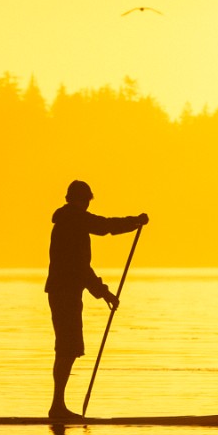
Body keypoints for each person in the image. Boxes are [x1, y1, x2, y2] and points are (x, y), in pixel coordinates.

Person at [45, 180, 148, 420]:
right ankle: (57, 407)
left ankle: (57, 405)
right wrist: (135, 221)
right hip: (64, 292)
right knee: (67, 348)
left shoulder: (71, 220)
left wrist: (103, 292)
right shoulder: (73, 220)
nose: (87, 205)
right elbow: (104, 227)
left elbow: (83, 265)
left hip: (66, 291)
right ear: (81, 200)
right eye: (86, 201)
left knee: (68, 349)